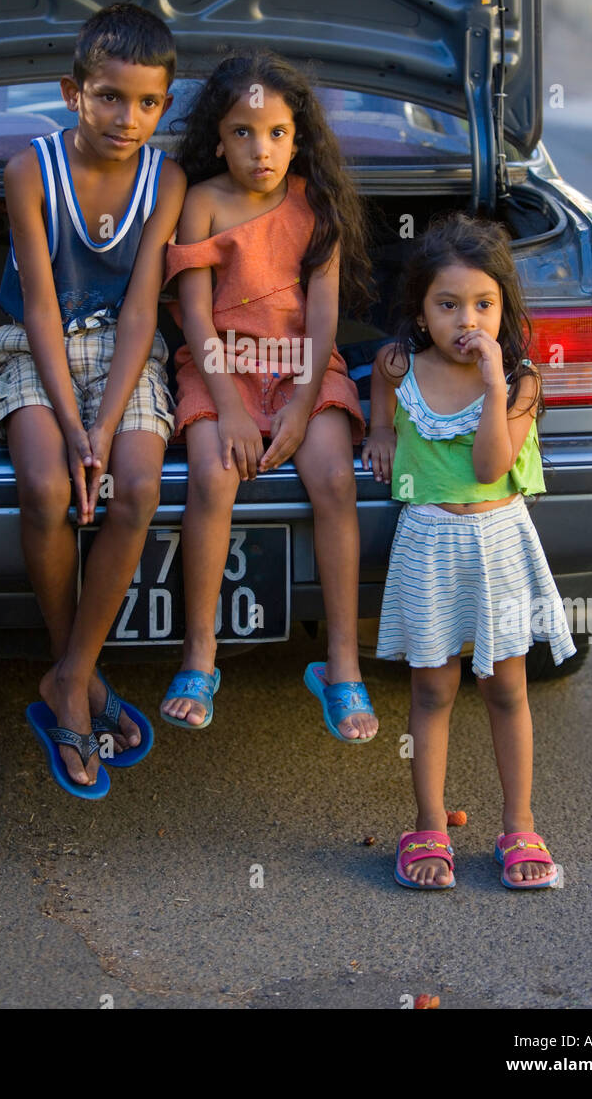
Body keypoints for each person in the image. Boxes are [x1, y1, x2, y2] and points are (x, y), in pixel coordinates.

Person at [0, 3, 186, 798]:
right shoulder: (30, 169)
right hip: (42, 349)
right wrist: (72, 427)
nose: (125, 118)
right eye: (107, 97)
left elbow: (141, 310)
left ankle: (68, 677)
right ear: (73, 92)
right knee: (46, 485)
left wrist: (104, 424)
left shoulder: (166, 180)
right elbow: (36, 308)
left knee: (135, 484)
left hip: (128, 356)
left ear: (165, 104)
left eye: (146, 103)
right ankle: (78, 681)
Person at [158, 51, 379, 743]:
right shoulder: (202, 201)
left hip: (303, 366)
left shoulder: (316, 203)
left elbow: (323, 316)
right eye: (243, 133)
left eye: (278, 133)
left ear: (299, 136)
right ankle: (201, 656)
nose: (262, 149)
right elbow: (193, 314)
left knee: (334, 479)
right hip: (220, 365)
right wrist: (226, 404)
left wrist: (306, 400)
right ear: (218, 138)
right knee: (212, 475)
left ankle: (340, 665)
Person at [362, 212, 576, 888]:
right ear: (421, 311)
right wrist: (381, 432)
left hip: (498, 544)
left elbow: (489, 468)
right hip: (429, 543)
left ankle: (519, 826)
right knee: (432, 689)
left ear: (504, 307)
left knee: (507, 687)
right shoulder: (402, 365)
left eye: (484, 305)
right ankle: (427, 825)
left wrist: (492, 385)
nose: (467, 321)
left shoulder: (519, 383)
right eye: (447, 304)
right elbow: (378, 379)